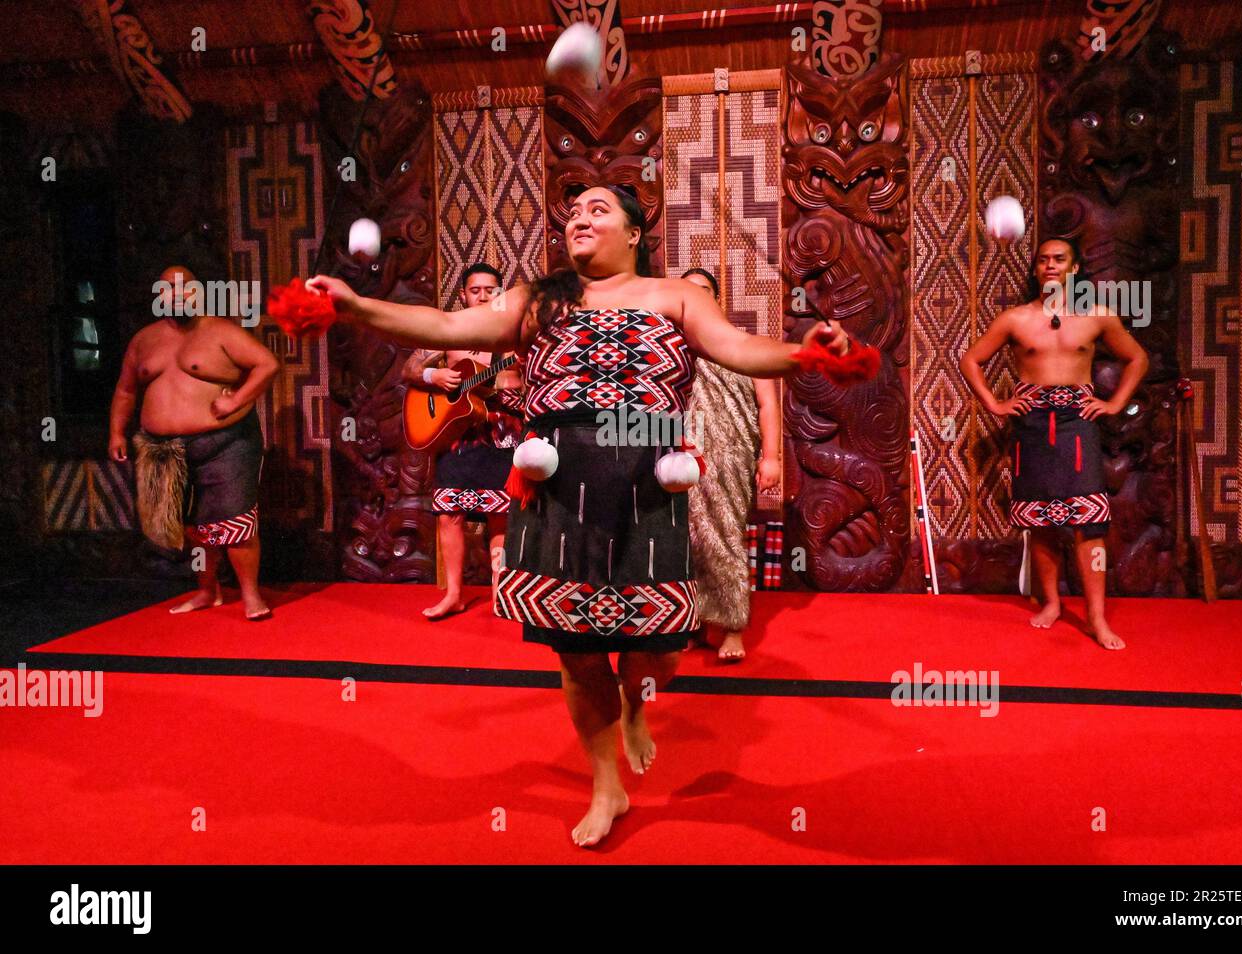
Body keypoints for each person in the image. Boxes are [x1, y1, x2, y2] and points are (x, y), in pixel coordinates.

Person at [307, 184, 848, 847]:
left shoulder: (677, 296)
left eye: (598, 211)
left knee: (660, 645)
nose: (579, 221)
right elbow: (446, 326)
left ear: (635, 232)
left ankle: (635, 705)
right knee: (577, 652)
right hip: (560, 484)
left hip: (646, 484)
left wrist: (808, 354)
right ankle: (606, 783)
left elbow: (740, 350)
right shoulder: (542, 300)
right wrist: (356, 306)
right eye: (572, 215)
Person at [959, 237, 1148, 650]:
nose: (1049, 266)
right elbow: (970, 359)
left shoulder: (1097, 316)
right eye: (1043, 260)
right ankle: (1052, 603)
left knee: (1089, 523)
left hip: (1077, 423)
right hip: (1031, 424)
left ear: (1074, 269)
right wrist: (994, 402)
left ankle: (1097, 617)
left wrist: (1115, 403)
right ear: (1034, 270)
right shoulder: (1015, 319)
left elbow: (1137, 358)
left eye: (1059, 259)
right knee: (1041, 521)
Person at [109, 264, 281, 621]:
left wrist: (235, 400)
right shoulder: (144, 340)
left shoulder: (220, 331)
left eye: (184, 288)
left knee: (235, 521)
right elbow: (126, 390)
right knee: (190, 525)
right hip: (163, 449)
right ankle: (207, 591)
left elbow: (267, 364)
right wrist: (116, 432)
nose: (177, 295)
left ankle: (250, 594)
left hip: (225, 442)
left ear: (198, 293)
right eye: (168, 290)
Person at [400, 263, 524, 619]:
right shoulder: (450, 332)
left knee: (500, 513)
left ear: (501, 294)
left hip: (502, 431)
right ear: (463, 295)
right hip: (458, 436)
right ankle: (453, 594)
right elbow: (408, 369)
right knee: (449, 513)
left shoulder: (514, 335)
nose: (483, 296)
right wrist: (432, 374)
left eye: (491, 289)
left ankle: (502, 594)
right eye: (475, 290)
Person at [680, 267, 781, 662]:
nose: (697, 297)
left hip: (731, 455)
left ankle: (733, 626)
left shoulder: (743, 343)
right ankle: (694, 620)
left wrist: (770, 457)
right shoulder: (671, 348)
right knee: (684, 541)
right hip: (680, 458)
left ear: (717, 298)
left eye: (704, 291)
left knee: (724, 535)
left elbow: (767, 403)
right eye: (688, 292)